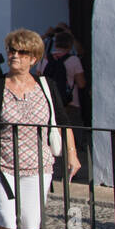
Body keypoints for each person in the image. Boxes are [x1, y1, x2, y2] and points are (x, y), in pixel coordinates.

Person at [0, 29, 81, 229]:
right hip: (5, 164)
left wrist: (72, 154)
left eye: (22, 52)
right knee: (7, 223)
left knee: (31, 223)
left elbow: (62, 120)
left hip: (39, 165)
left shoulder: (46, 85)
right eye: (12, 50)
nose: (15, 56)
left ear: (34, 58)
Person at [34, 32, 88, 167]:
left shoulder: (44, 59)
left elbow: (38, 78)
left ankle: (50, 165)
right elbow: (81, 83)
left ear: (55, 43)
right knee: (72, 134)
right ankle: (71, 164)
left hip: (48, 102)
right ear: (70, 45)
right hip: (70, 103)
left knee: (51, 133)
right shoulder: (73, 60)